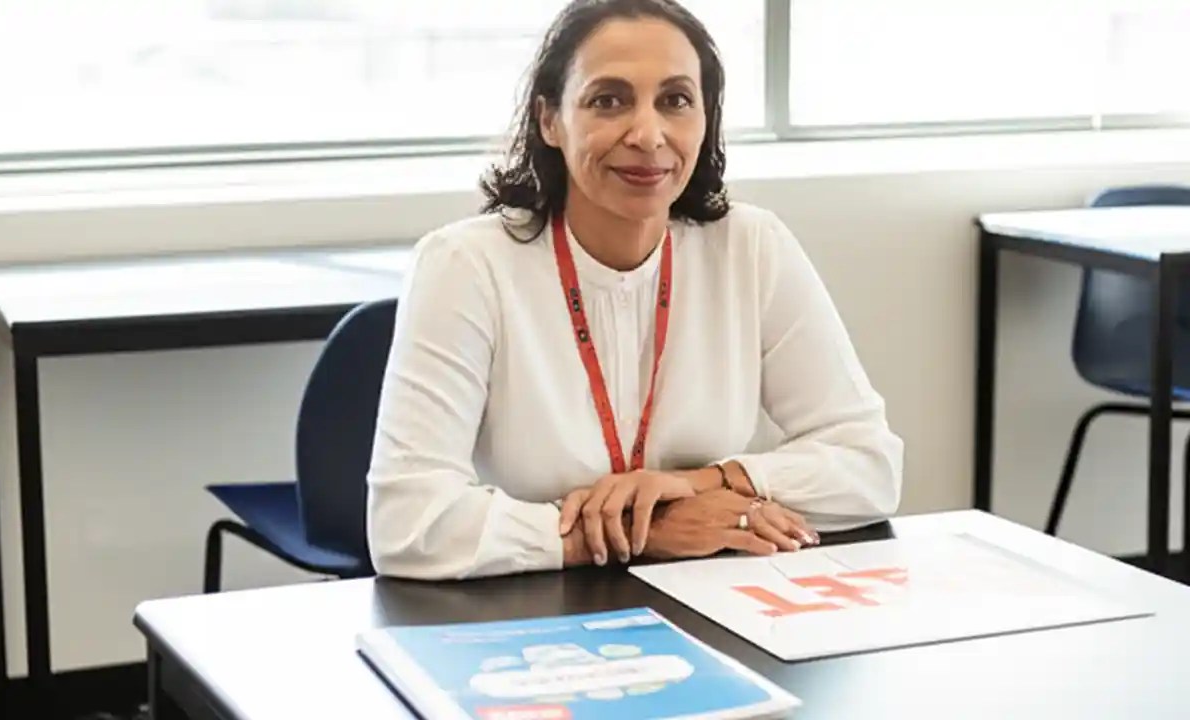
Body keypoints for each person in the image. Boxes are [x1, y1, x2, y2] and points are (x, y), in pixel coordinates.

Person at [366, 0, 903, 580]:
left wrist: (702, 484)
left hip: (711, 601)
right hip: (530, 614)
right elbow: (408, 523)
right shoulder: (466, 265)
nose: (648, 135)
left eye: (675, 100)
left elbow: (869, 464)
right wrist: (642, 533)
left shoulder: (751, 247)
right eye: (608, 100)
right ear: (550, 120)